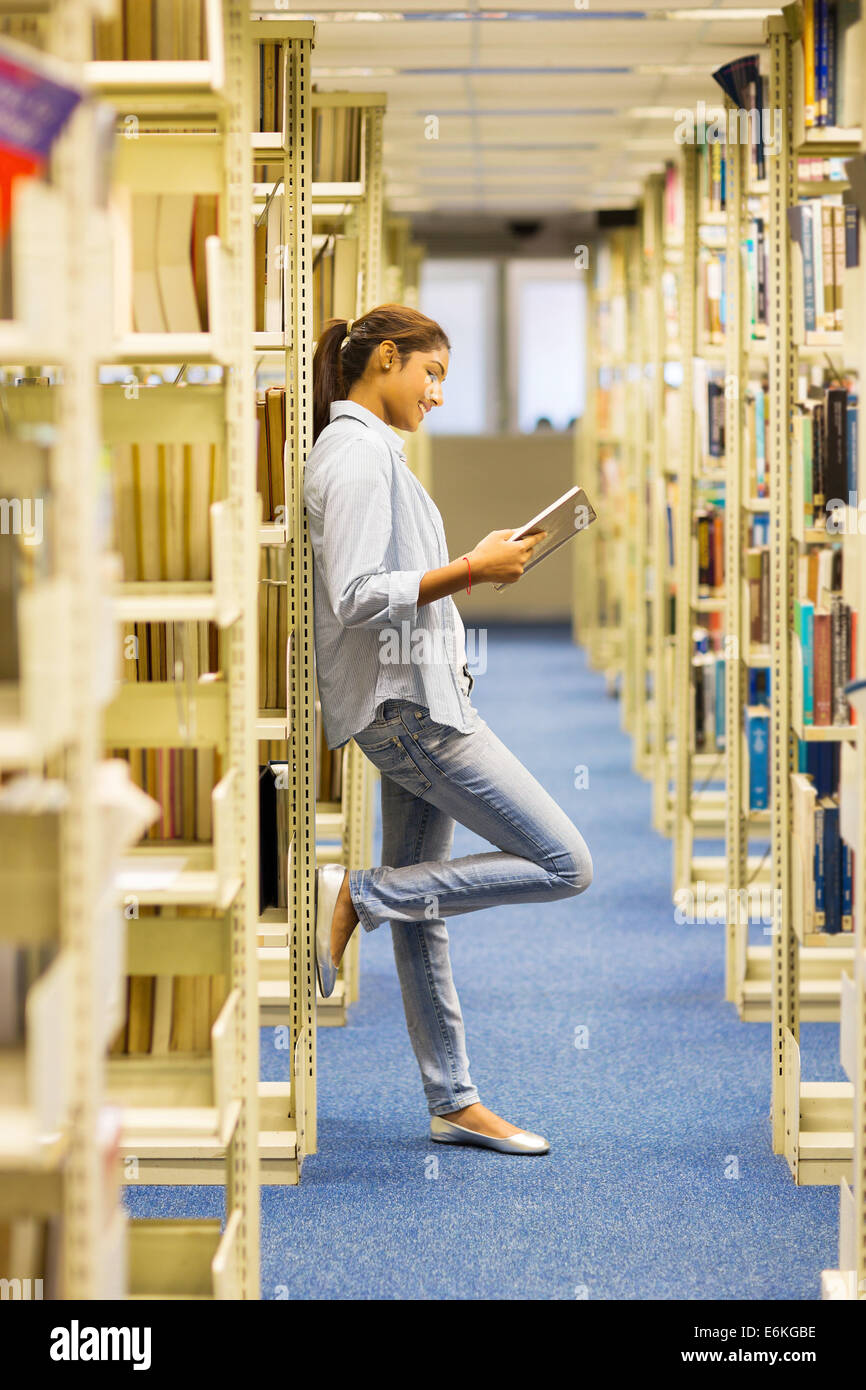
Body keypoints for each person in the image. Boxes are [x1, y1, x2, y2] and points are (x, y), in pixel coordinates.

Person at [303, 302, 593, 1155]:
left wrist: (475, 562)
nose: (435, 395)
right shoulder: (355, 454)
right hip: (410, 719)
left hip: (418, 702)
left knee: (428, 899)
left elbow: (391, 580)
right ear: (385, 360)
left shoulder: (371, 452)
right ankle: (358, 895)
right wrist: (469, 567)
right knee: (563, 863)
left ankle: (453, 1101)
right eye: (430, 375)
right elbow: (358, 593)